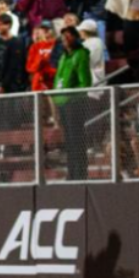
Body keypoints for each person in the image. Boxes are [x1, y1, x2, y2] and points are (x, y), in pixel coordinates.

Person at [53, 27, 93, 181]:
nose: (65, 39)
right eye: (63, 37)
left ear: (76, 38)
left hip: (74, 102)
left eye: (69, 36)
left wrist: (70, 95)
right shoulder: (64, 57)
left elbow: (85, 82)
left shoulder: (81, 54)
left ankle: (80, 173)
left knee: (76, 139)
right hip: (62, 101)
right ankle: (72, 173)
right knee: (69, 140)